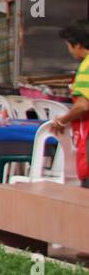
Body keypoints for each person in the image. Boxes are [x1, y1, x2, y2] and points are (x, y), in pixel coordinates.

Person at [49, 19, 89, 185]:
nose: (69, 50)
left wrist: (62, 120)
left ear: (77, 45)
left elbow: (83, 106)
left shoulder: (86, 66)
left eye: (68, 45)